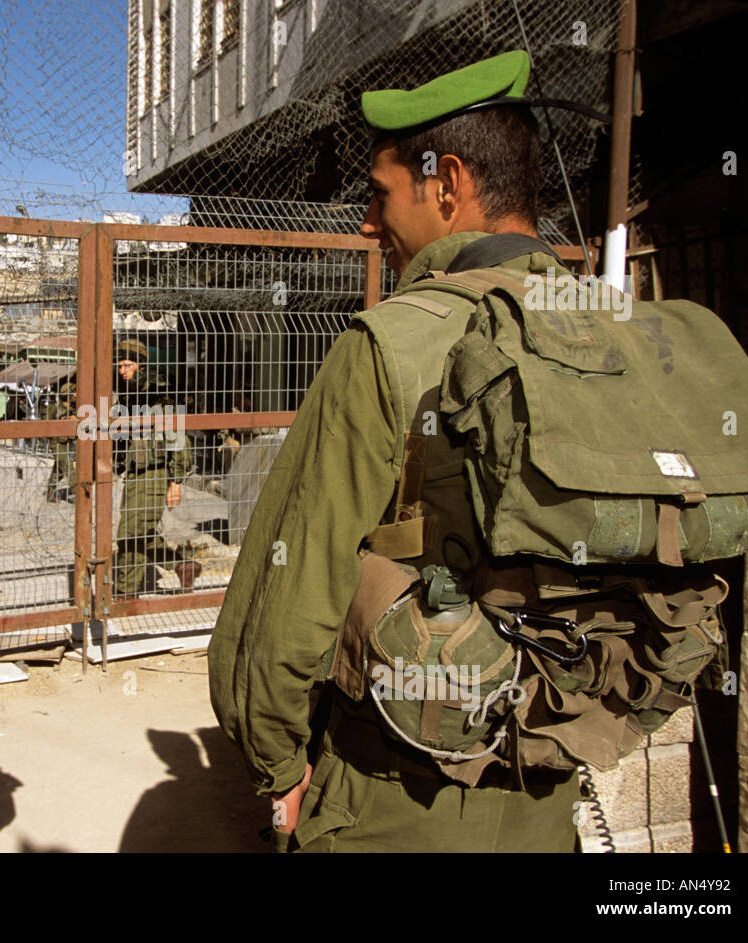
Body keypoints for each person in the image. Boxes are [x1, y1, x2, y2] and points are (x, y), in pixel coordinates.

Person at [209, 51, 584, 852]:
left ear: (446, 184)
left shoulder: (392, 342)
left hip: (394, 800)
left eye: (380, 196)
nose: (369, 224)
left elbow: (284, 601)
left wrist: (276, 767)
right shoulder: (610, 332)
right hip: (549, 793)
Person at [112, 338, 200, 595]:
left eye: (127, 365)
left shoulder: (158, 394)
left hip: (154, 473)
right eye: (119, 365)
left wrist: (176, 482)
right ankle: (183, 566)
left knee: (129, 532)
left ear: (140, 366)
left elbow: (178, 437)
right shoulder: (129, 395)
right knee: (141, 529)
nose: (122, 370)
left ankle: (125, 592)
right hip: (136, 473)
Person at [44, 379, 77, 503]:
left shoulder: (75, 407)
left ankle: (50, 491)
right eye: (74, 392)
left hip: (67, 441)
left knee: (58, 469)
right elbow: (47, 423)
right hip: (56, 442)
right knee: (68, 467)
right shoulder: (55, 407)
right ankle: (78, 493)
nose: (76, 395)